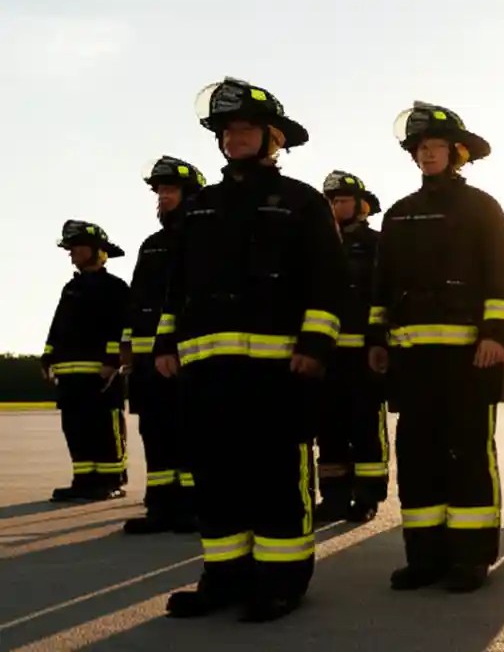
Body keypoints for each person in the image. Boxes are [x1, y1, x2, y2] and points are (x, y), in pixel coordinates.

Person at [155, 77, 344, 622]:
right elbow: (177, 287)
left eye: (244, 129)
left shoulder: (301, 202)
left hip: (275, 369)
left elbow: (327, 284)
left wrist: (314, 344)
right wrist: (167, 342)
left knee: (275, 477)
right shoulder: (200, 208)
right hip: (206, 369)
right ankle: (225, 576)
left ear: (273, 138)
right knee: (214, 477)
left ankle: (282, 580)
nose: (233, 138)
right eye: (226, 130)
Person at [368, 101, 504, 593]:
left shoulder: (482, 208)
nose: (426, 154)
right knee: (417, 456)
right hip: (413, 360)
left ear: (457, 152)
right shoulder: (400, 214)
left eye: (435, 146)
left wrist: (494, 335)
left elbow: (501, 275)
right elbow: (382, 284)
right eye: (420, 148)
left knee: (468, 453)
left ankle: (471, 558)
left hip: (468, 357)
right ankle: (425, 556)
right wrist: (377, 339)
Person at [122, 157, 206, 534]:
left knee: (190, 430)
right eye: (159, 192)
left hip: (185, 356)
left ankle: (194, 506)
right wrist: (126, 347)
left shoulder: (201, 239)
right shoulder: (152, 245)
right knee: (155, 433)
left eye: (169, 191)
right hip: (145, 360)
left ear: (191, 195)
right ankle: (161, 506)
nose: (161, 198)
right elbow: (136, 300)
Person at [315, 171, 389, 524]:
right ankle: (332, 497)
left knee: (364, 428)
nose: (336, 206)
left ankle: (368, 495)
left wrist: (379, 341)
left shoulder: (377, 244)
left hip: (361, 353)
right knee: (328, 429)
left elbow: (383, 294)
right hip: (325, 355)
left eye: (342, 199)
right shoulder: (317, 243)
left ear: (361, 205)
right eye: (331, 200)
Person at [42, 221, 130, 502]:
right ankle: (84, 480)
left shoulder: (115, 288)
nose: (72, 254)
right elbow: (57, 327)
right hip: (70, 375)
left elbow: (122, 327)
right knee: (76, 428)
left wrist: (111, 360)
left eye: (77, 248)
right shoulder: (71, 289)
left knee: (105, 427)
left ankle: (111, 480)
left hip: (100, 373)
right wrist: (48, 355)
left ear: (97, 251)